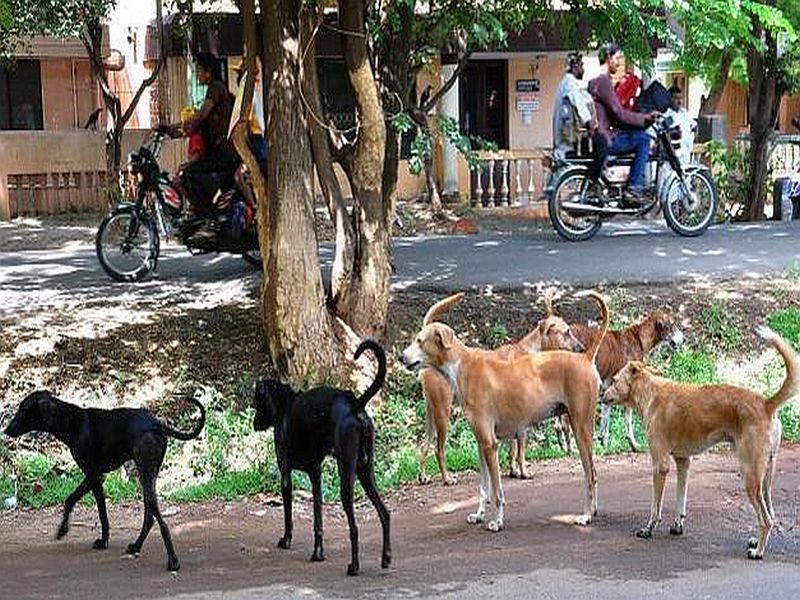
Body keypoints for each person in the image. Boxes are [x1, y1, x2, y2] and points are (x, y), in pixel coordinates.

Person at [588, 42, 660, 203]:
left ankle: (626, 183)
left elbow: (614, 115)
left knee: (636, 135)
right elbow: (618, 112)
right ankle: (634, 187)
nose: (619, 62)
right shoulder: (603, 82)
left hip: (600, 136)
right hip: (606, 138)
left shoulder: (595, 82)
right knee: (643, 139)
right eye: (617, 57)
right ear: (608, 58)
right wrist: (645, 119)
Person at [176, 52, 238, 223]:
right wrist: (171, 130)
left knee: (186, 175)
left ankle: (206, 218)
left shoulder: (216, 88)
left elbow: (201, 115)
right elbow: (196, 118)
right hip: (219, 153)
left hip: (223, 153)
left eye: (199, 70)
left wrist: (187, 127)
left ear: (208, 71)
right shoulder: (216, 89)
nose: (197, 74)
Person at [551, 53, 597, 160]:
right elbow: (579, 104)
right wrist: (589, 122)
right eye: (581, 66)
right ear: (575, 67)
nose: (583, 70)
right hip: (567, 144)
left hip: (561, 142)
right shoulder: (570, 84)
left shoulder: (564, 83)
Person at [663, 84, 695, 165]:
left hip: (686, 154)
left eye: (680, 98)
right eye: (676, 98)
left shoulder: (685, 113)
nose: (679, 101)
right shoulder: (665, 115)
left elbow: (694, 126)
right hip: (672, 157)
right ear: (669, 99)